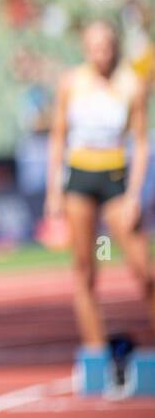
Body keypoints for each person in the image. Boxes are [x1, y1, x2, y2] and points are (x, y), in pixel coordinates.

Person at [45, 20, 155, 347]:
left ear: (115, 47)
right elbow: (58, 137)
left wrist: (135, 195)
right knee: (84, 270)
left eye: (105, 47)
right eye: (93, 48)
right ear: (85, 49)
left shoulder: (132, 85)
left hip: (115, 178)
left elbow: (140, 142)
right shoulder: (71, 82)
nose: (100, 54)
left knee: (144, 270)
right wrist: (53, 190)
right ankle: (96, 351)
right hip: (80, 177)